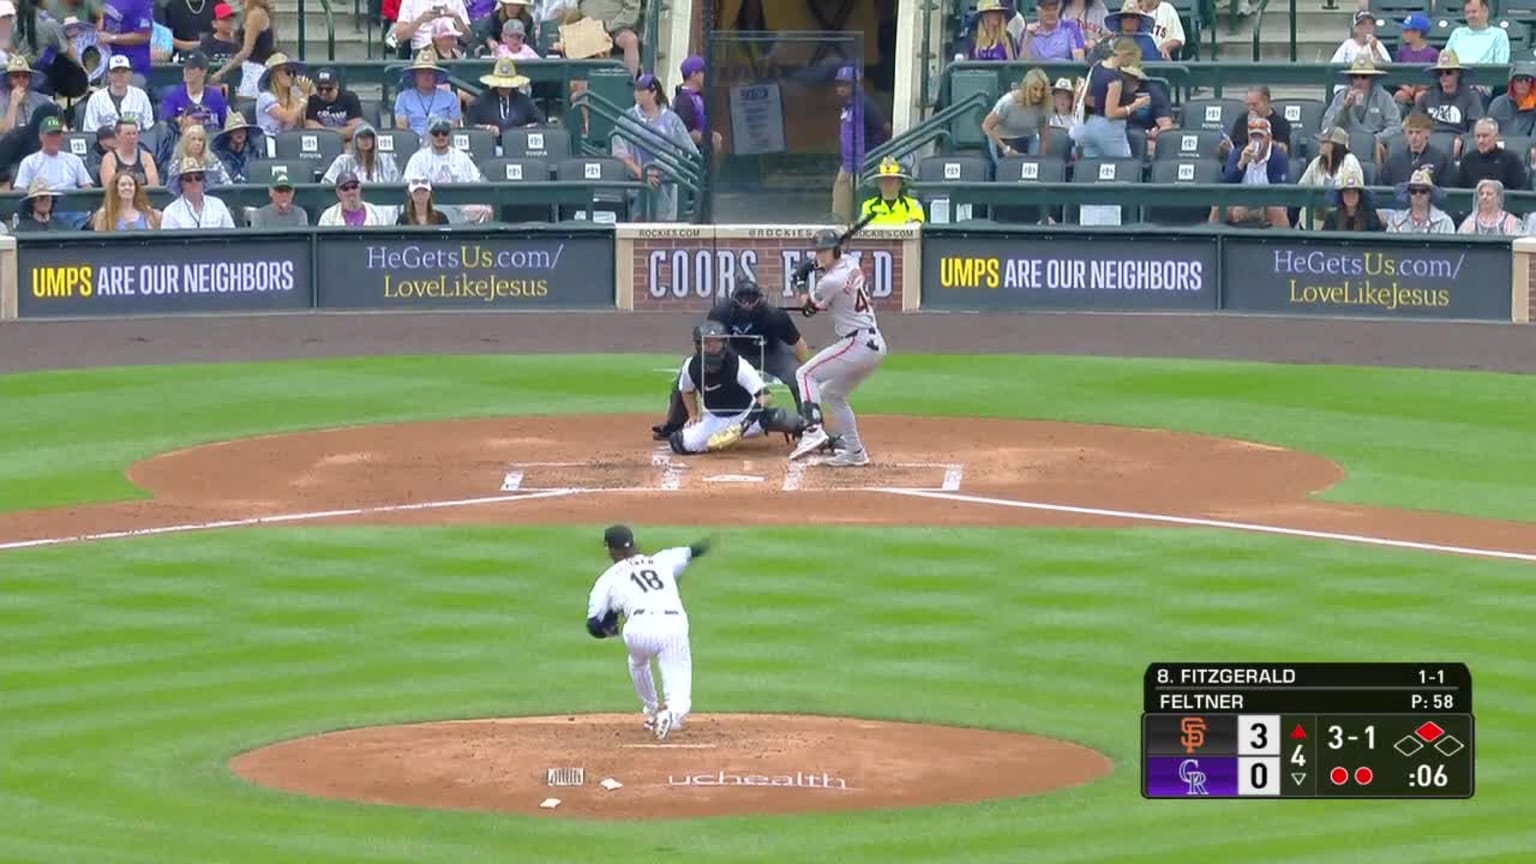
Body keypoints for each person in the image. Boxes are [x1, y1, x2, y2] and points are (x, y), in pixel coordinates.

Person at [584, 525, 711, 741]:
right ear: (635, 544)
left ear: (610, 550)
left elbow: (593, 625)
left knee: (637, 662)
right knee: (678, 691)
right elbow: (694, 550)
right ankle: (671, 713)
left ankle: (652, 711)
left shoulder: (607, 578)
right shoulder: (663, 559)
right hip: (673, 626)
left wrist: (609, 627)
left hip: (638, 629)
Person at [651, 279, 811, 441]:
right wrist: (699, 366)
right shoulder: (720, 313)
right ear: (734, 299)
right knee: (684, 377)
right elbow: (707, 341)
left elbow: (798, 344)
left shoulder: (775, 316)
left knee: (797, 377)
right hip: (733, 353)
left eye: (752, 299)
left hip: (771, 351)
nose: (748, 304)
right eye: (743, 299)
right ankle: (674, 424)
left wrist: (805, 372)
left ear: (760, 298)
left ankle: (809, 425)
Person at [786, 228, 887, 468]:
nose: (819, 256)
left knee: (805, 374)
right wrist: (813, 265)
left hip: (857, 343)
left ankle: (813, 430)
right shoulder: (849, 263)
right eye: (817, 251)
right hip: (874, 344)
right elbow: (827, 266)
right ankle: (855, 452)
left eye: (824, 251)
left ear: (835, 250)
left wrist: (799, 283)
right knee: (833, 394)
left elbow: (809, 308)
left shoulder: (832, 281)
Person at [662, 319, 806, 455]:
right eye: (708, 343)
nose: (713, 348)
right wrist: (693, 414)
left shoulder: (738, 364)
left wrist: (744, 425)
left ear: (724, 344)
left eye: (717, 343)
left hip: (747, 416)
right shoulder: (691, 366)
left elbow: (765, 396)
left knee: (790, 420)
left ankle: (812, 435)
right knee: (679, 443)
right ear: (699, 345)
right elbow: (686, 390)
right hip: (714, 419)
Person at [610, 72, 697, 222]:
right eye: (636, 90)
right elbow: (618, 151)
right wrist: (641, 173)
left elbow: (688, 152)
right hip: (636, 185)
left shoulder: (671, 120)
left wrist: (665, 168)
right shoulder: (628, 117)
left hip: (666, 185)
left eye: (641, 90)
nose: (636, 94)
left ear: (653, 92)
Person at [402, 115, 488, 222]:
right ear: (429, 135)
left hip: (460, 205)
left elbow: (477, 182)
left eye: (444, 133)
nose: (440, 137)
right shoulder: (418, 158)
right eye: (436, 133)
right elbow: (410, 187)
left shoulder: (461, 157)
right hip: (429, 205)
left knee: (484, 209)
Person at [1320, 55, 1401, 166]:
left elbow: (1395, 127)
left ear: (1372, 79)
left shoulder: (1384, 97)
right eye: (1355, 77)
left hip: (1374, 143)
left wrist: (1373, 139)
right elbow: (1327, 126)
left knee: (1379, 148)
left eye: (1364, 77)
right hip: (1346, 143)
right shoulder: (1341, 97)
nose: (1359, 81)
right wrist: (1344, 108)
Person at [831, 65, 887, 222]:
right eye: (839, 83)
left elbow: (884, 127)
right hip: (848, 162)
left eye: (846, 84)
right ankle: (840, 227)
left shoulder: (865, 104)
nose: (841, 87)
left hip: (863, 161)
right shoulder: (847, 104)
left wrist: (872, 154)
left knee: (860, 201)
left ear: (856, 84)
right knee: (841, 197)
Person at [15, 116, 92, 227]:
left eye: (58, 135)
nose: (55, 139)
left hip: (74, 212)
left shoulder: (74, 160)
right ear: (41, 137)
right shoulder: (30, 162)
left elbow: (87, 188)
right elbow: (19, 190)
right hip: (45, 210)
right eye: (51, 135)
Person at [1213, 116, 1290, 228]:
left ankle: (1284, 243)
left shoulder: (1278, 157)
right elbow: (1226, 183)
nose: (1256, 140)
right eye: (1253, 136)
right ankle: (1211, 242)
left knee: (1277, 211)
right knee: (1217, 209)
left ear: (1269, 138)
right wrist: (1241, 164)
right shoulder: (1238, 153)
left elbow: (1280, 191)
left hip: (1267, 203)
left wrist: (1256, 209)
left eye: (1260, 136)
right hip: (1240, 201)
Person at [1075, 40, 1145, 158]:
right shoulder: (1115, 78)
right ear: (1126, 55)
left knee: (1092, 168)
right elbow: (1111, 113)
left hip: (1087, 126)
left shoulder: (1096, 67)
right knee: (1123, 167)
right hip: (1108, 129)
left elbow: (1085, 98)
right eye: (1133, 60)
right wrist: (1135, 106)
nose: (1132, 64)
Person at [209, 0, 276, 99]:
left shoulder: (255, 15)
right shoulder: (255, 13)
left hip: (255, 70)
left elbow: (246, 51)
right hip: (254, 68)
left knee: (247, 106)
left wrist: (222, 71)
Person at [1297, 128, 1361, 229]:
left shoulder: (1350, 162)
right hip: (1315, 217)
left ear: (1334, 145)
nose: (1320, 144)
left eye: (1324, 142)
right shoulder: (1317, 162)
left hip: (1340, 221)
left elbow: (1349, 196)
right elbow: (1301, 187)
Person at [1418, 51, 1481, 151]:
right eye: (1440, 74)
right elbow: (1415, 124)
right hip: (1430, 141)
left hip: (1457, 141)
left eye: (1449, 73)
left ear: (1458, 74)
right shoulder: (1427, 97)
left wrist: (1462, 140)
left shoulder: (1470, 96)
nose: (1444, 77)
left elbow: (1476, 127)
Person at [982, 68, 1051, 161]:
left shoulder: (1044, 105)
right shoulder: (1008, 103)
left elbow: (1044, 138)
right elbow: (986, 126)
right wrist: (1006, 148)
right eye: (1035, 89)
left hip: (1029, 138)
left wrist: (1042, 160)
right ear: (1027, 88)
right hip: (1003, 139)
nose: (1039, 94)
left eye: (1042, 90)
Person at [394, 48, 460, 137]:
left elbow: (455, 128)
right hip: (414, 143)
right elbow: (402, 130)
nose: (426, 76)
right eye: (422, 73)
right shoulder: (403, 98)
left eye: (430, 72)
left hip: (441, 140)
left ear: (436, 76)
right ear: (415, 76)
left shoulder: (450, 97)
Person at [466, 57, 543, 133]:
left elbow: (540, 123)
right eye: (502, 86)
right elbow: (469, 125)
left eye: (507, 85)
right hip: (490, 143)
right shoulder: (482, 101)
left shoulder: (524, 101)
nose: (504, 88)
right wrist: (486, 128)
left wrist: (524, 130)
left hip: (518, 143)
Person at [161, 51, 229, 134]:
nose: (187, 71)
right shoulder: (173, 96)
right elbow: (166, 124)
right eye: (186, 68)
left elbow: (227, 124)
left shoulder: (216, 97)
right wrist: (182, 121)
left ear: (203, 71)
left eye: (192, 68)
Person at [80, 54, 153, 131]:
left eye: (123, 72)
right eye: (115, 72)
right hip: (105, 142)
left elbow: (149, 128)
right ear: (108, 75)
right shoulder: (96, 98)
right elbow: (90, 131)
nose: (120, 75)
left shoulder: (141, 96)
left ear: (130, 74)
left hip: (135, 141)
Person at [160, 156, 236, 228]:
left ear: (204, 180)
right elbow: (169, 242)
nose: (194, 182)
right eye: (188, 179)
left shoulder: (218, 205)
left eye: (198, 178)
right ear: (180, 183)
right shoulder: (170, 212)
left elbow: (232, 237)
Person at [1382, 112, 1452, 187]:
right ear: (1405, 133)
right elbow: (1384, 190)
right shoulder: (1394, 160)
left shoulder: (1440, 159)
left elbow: (1448, 191)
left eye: (1418, 132)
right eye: (1410, 132)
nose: (1414, 137)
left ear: (1427, 133)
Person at [1456, 117, 1527, 190]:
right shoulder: (1468, 160)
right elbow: (1460, 193)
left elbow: (1520, 192)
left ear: (1496, 137)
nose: (1481, 140)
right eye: (1478, 136)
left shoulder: (1511, 160)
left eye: (1485, 136)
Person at [1222, 85, 1291, 159]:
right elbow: (1235, 144)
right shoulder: (1242, 119)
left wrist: (1266, 142)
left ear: (1267, 102)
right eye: (1248, 105)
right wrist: (1225, 148)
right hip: (1243, 161)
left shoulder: (1281, 123)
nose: (1251, 108)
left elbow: (1284, 150)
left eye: (1255, 105)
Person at [575, 0, 642, 76]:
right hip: (586, 28)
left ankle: (629, 84)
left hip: (616, 28)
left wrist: (608, 26)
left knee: (631, 40)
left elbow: (632, 11)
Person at [671, 54, 720, 154]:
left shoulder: (698, 97)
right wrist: (709, 138)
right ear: (693, 75)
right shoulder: (684, 100)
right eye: (704, 72)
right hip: (688, 159)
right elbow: (683, 133)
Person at [255, 53, 312, 137]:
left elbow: (294, 126)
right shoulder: (265, 97)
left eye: (294, 72)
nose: (292, 76)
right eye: (288, 72)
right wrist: (304, 97)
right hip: (268, 141)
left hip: (286, 141)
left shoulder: (293, 98)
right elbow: (288, 117)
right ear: (275, 74)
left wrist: (306, 94)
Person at [304, 68, 364, 144]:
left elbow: (355, 129)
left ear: (337, 86)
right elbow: (311, 127)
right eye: (320, 89)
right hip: (321, 142)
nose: (324, 92)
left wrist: (325, 131)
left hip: (346, 142)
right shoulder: (313, 100)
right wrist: (341, 132)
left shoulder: (350, 98)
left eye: (329, 89)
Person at [1386, 166, 1454, 233]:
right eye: (1413, 191)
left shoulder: (1445, 222)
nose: (1418, 194)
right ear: (1408, 193)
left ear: (1430, 194)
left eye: (1423, 191)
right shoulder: (1395, 221)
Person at [98, 114, 159, 187]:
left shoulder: (146, 157)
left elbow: (154, 187)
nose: (132, 137)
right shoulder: (109, 159)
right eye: (128, 134)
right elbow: (110, 189)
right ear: (117, 136)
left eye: (134, 133)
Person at [860, 156, 924, 225]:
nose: (888, 182)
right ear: (879, 183)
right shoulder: (868, 207)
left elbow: (916, 228)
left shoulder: (913, 205)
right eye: (884, 179)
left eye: (892, 179)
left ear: (900, 183)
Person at [97, 0, 153, 77]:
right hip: (109, 63)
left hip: (133, 66)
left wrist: (112, 38)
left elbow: (144, 35)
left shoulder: (140, 2)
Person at [1444, 0, 1509, 65]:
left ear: (1485, 11)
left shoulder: (1499, 35)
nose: (1470, 16)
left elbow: (1501, 67)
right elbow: (1445, 61)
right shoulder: (1457, 33)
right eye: (1467, 12)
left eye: (1474, 12)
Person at [1321, 163, 1382, 231]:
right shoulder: (1332, 218)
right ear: (1341, 195)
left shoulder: (1371, 217)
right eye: (1347, 192)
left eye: (1354, 192)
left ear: (1359, 195)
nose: (1350, 196)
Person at [90, 169, 159, 230]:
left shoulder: (148, 212)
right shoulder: (104, 215)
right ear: (116, 189)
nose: (127, 187)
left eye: (130, 185)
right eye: (123, 185)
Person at [393, 0, 470, 54]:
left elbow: (467, 39)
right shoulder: (410, 1)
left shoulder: (456, 1)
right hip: (423, 52)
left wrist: (457, 18)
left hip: (450, 51)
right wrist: (419, 21)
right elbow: (400, 36)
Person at [318, 169, 387, 225]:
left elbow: (385, 240)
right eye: (345, 188)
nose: (351, 192)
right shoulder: (329, 216)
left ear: (359, 188)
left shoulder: (376, 213)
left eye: (354, 187)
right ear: (338, 193)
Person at [1487, 62, 1536, 137]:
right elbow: (1488, 131)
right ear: (1512, 82)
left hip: (1529, 147)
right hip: (1501, 146)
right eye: (1519, 79)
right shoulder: (1498, 104)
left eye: (1527, 80)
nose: (1523, 83)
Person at [211, 112, 258, 183]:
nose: (239, 133)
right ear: (229, 134)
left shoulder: (255, 152)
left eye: (242, 129)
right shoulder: (219, 156)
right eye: (235, 130)